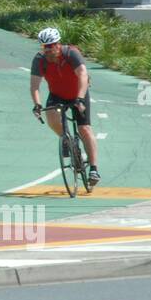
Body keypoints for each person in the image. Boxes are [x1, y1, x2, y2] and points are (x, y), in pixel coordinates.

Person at [29, 27, 100, 186]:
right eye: (44, 47)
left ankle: (94, 169)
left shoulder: (71, 53)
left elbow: (82, 74)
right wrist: (37, 104)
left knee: (84, 128)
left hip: (78, 93)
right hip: (57, 94)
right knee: (52, 119)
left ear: (58, 44)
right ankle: (69, 141)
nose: (48, 50)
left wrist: (80, 99)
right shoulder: (39, 60)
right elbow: (34, 86)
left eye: (51, 46)